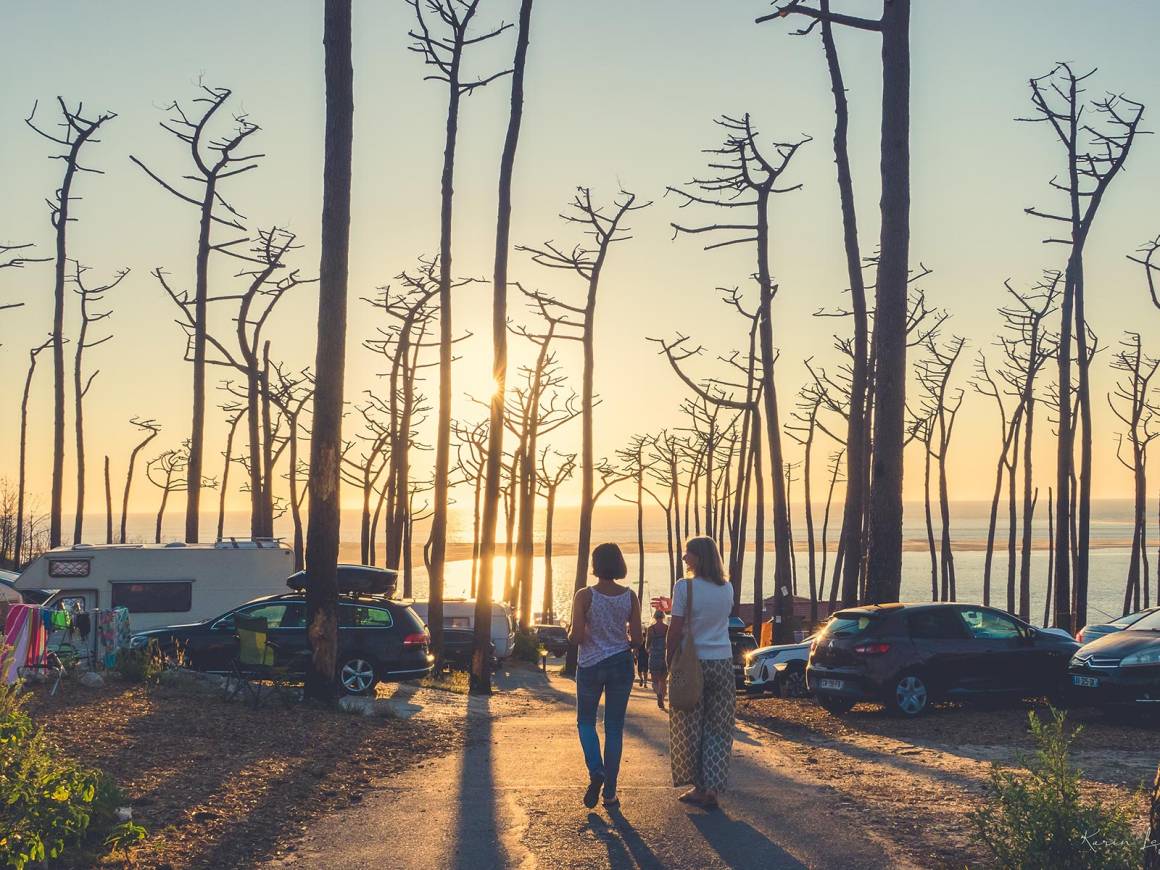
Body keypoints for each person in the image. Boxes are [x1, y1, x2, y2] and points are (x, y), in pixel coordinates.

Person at [569, 542, 642, 809]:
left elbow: (576, 637)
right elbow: (637, 639)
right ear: (619, 564)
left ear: (595, 565)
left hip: (590, 665)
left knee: (586, 722)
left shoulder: (584, 596)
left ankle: (596, 770)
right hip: (621, 664)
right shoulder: (629, 596)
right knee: (614, 728)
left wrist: (573, 632)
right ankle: (610, 793)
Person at [666, 535, 735, 811]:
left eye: (688, 553)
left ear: (699, 557)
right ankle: (713, 790)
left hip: (692, 663)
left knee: (689, 725)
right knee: (719, 727)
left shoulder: (685, 588)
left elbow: (674, 628)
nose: (684, 558)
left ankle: (698, 786)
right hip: (723, 662)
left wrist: (667, 660)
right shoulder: (726, 588)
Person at [645, 609, 669, 709]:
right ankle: (662, 698)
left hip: (654, 656)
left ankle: (658, 694)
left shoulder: (650, 629)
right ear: (663, 617)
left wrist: (648, 650)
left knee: (655, 680)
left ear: (654, 617)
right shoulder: (667, 628)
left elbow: (647, 644)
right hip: (665, 656)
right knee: (663, 680)